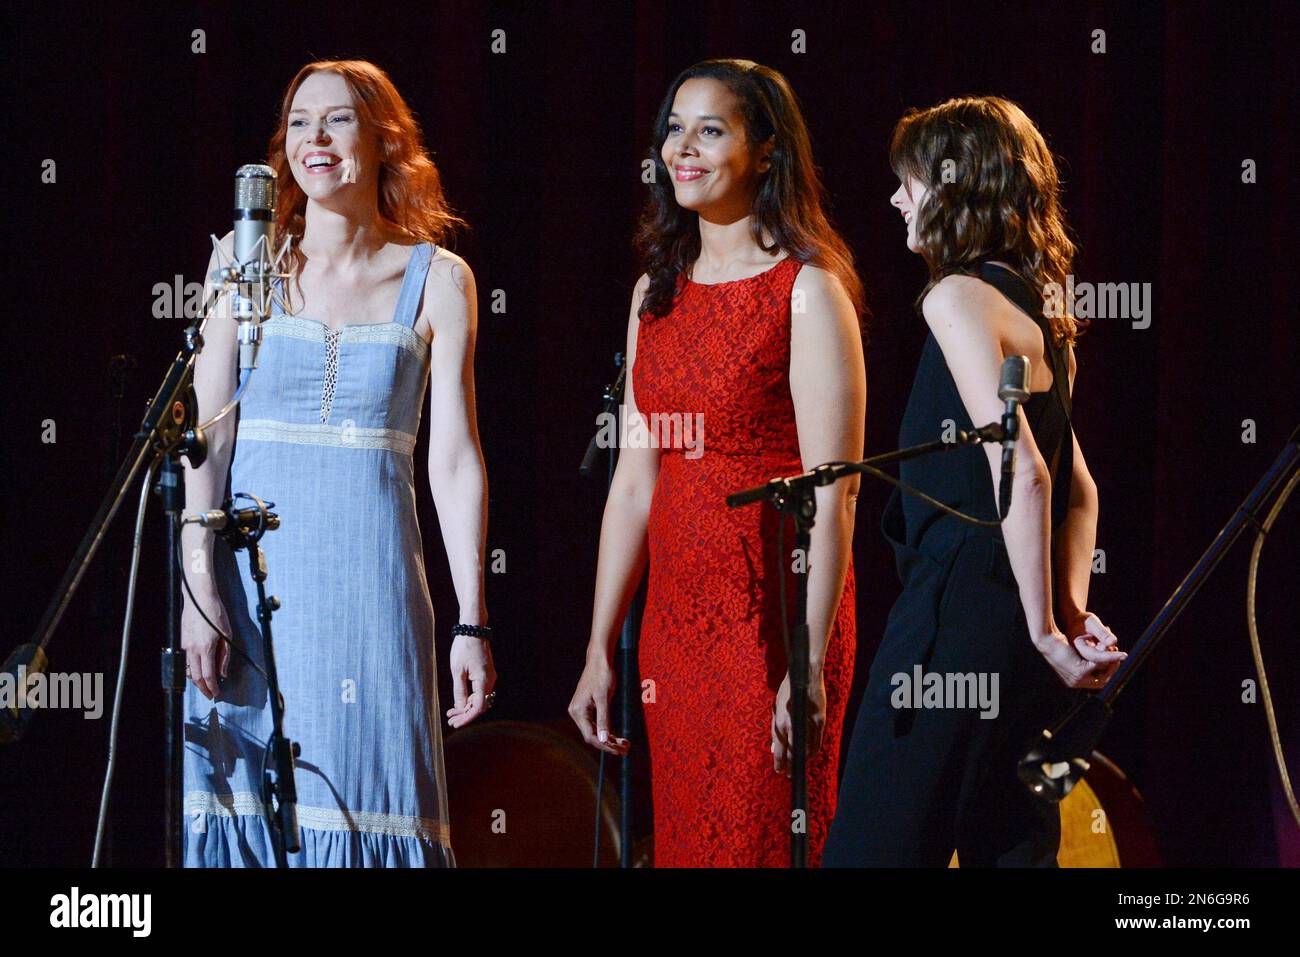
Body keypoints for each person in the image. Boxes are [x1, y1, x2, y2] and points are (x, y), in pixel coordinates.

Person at [180, 60, 495, 867]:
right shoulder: (240, 263)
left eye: (338, 121)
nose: (315, 139)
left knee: (370, 808)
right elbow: (205, 440)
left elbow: (453, 458)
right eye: (299, 123)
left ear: (384, 141)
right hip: (250, 594)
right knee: (248, 814)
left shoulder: (439, 278)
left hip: (372, 596)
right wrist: (200, 589)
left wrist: (470, 618)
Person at [568, 59, 867, 867]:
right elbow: (634, 482)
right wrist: (600, 647)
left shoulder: (806, 289)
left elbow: (835, 497)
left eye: (711, 129)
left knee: (760, 840)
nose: (682, 148)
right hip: (676, 626)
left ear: (767, 152)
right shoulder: (653, 293)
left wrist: (802, 666)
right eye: (674, 128)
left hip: (771, 617)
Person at [824, 96, 1125, 868]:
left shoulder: (956, 296)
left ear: (959, 186)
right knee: (1010, 843)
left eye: (911, 181)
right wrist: (1060, 615)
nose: (896, 198)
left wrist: (1049, 631)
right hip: (1016, 610)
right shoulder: (1048, 314)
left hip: (955, 605)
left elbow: (1023, 469)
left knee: (876, 838)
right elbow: (1078, 485)